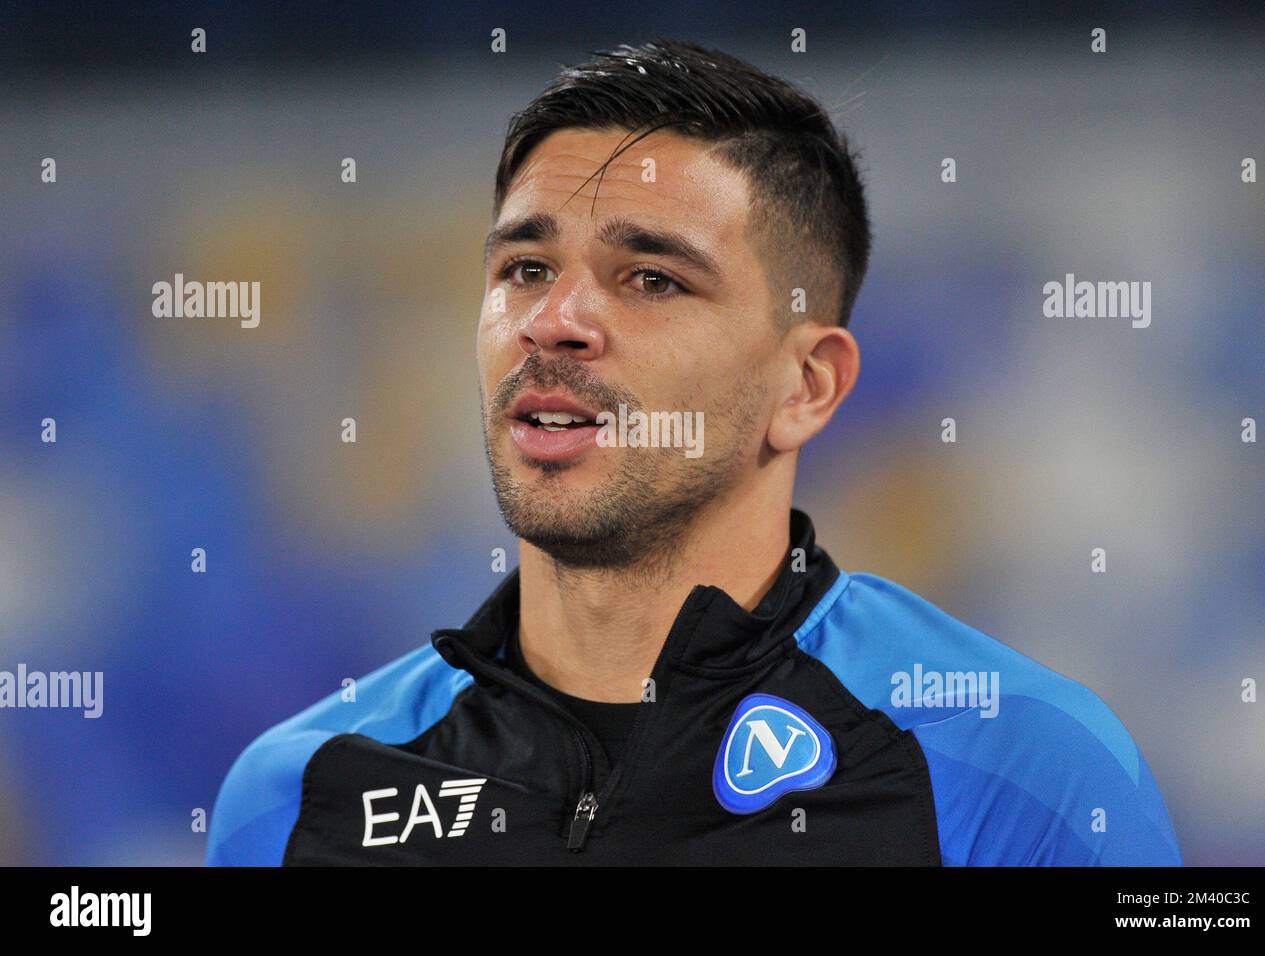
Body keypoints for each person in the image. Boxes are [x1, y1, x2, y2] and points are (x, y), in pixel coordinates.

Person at [207, 38, 1181, 865]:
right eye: (525, 268)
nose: (555, 320)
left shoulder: (1017, 762)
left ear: (806, 386)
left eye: (651, 278)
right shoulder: (291, 797)